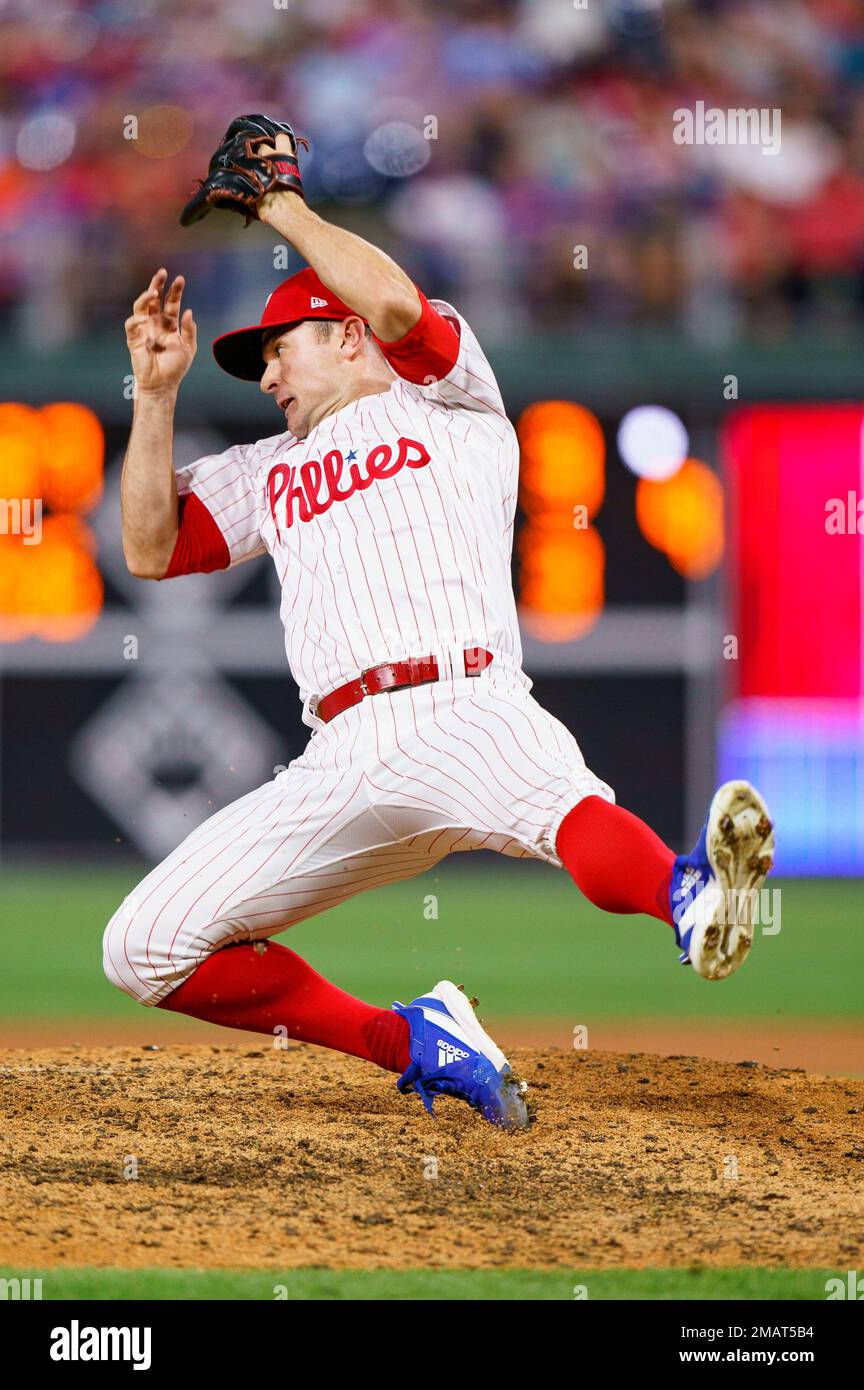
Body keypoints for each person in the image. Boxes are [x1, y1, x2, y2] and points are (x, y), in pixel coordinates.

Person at [105, 123, 774, 1131]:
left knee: (565, 811)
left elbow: (392, 303)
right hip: (337, 757)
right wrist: (153, 396)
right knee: (142, 944)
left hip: (465, 702)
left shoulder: (446, 393)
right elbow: (152, 549)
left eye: (278, 351)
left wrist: (282, 208)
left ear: (341, 337)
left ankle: (691, 899)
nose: (267, 378)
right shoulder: (266, 469)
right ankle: (420, 1040)